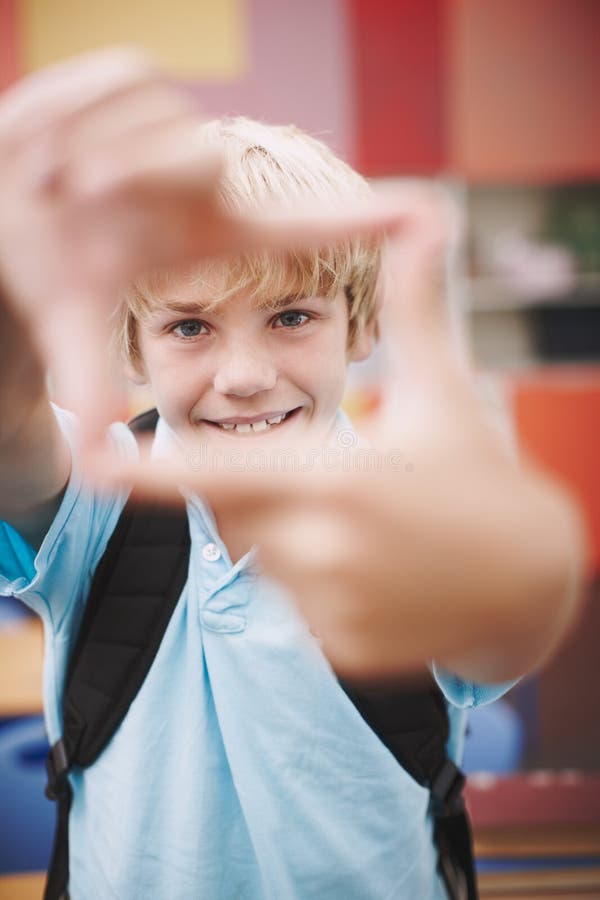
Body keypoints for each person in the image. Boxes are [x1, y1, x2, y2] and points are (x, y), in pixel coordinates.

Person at [0, 48, 586, 900]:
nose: (244, 376)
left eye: (291, 317)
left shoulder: (405, 511)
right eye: (190, 328)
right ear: (132, 345)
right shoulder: (100, 501)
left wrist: (527, 561)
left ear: (359, 325)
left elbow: (505, 611)